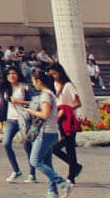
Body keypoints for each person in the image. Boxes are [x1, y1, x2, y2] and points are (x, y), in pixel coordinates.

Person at [26, 68, 69, 198]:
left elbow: (45, 115)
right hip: (52, 132)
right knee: (47, 162)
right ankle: (52, 191)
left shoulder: (45, 95)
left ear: (39, 81)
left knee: (35, 161)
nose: (33, 84)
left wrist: (31, 111)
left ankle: (62, 182)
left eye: (33, 81)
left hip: (45, 132)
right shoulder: (50, 93)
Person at [47, 62, 84, 186]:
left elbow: (78, 103)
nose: (53, 76)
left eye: (54, 74)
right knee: (66, 148)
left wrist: (65, 109)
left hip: (69, 120)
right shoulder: (53, 86)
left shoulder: (68, 85)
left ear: (60, 72)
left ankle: (72, 174)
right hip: (60, 120)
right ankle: (75, 168)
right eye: (51, 74)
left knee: (65, 148)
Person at [0, 66, 36, 184]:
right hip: (11, 120)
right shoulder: (5, 89)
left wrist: (20, 102)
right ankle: (16, 170)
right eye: (9, 74)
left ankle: (32, 174)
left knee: (27, 146)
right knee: (6, 143)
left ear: (18, 74)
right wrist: (0, 123)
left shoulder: (25, 87)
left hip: (24, 119)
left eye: (14, 73)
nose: (11, 76)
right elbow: (2, 106)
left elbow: (35, 103)